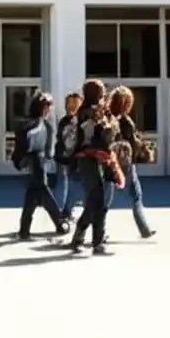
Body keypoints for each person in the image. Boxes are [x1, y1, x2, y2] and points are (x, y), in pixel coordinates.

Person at [69, 80, 124, 256]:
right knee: (97, 199)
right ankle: (94, 241)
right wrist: (99, 122)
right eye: (100, 90)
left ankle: (83, 237)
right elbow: (87, 137)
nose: (104, 93)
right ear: (93, 93)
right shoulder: (86, 113)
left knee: (97, 201)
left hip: (102, 159)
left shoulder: (100, 111)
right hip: (89, 159)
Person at [16, 91, 70, 240]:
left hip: (36, 162)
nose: (49, 110)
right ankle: (59, 222)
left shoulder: (35, 123)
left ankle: (24, 229)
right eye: (47, 107)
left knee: (32, 195)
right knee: (43, 191)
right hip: (35, 162)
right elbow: (35, 146)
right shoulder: (38, 124)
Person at [111, 86, 156, 239]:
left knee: (102, 197)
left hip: (109, 160)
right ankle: (144, 229)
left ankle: (91, 230)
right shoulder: (126, 121)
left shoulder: (108, 118)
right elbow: (131, 142)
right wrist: (143, 147)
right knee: (136, 195)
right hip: (125, 162)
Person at [53, 92, 84, 219]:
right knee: (64, 184)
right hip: (66, 158)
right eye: (71, 104)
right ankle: (61, 211)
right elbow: (67, 141)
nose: (72, 107)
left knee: (69, 184)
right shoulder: (68, 121)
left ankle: (65, 210)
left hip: (70, 158)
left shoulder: (71, 120)